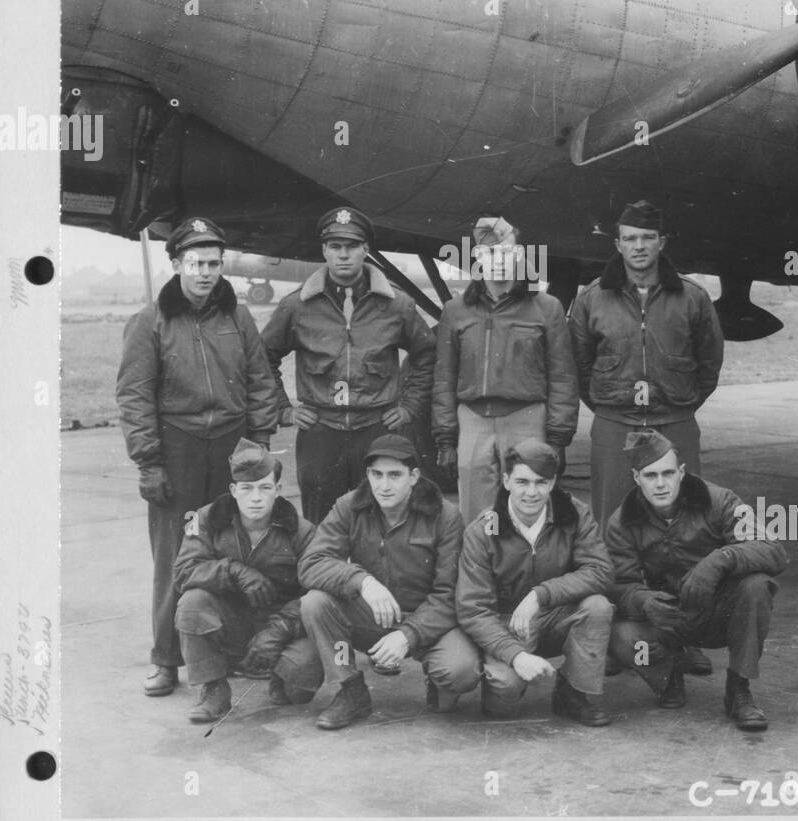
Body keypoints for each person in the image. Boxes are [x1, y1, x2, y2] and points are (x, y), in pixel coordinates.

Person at [116, 217, 278, 699]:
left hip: (231, 450)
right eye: (196, 263)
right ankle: (166, 660)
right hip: (178, 448)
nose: (206, 272)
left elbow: (260, 379)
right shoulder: (149, 322)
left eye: (213, 263)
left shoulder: (239, 318)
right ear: (176, 264)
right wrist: (149, 462)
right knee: (176, 557)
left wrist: (259, 445)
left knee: (233, 550)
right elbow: (134, 396)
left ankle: (230, 651)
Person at [260, 206, 436, 525]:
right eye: (336, 247)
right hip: (320, 432)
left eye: (352, 247)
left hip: (377, 429)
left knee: (380, 523)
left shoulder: (396, 304)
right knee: (320, 527)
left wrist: (410, 406)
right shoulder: (297, 305)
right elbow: (262, 358)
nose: (344, 255)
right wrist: (285, 409)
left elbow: (427, 354)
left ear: (365, 250)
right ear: (324, 250)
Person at [604, 430, 787, 731]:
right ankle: (667, 674)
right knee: (620, 634)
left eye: (667, 473)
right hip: (667, 617)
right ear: (636, 478)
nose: (660, 484)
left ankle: (738, 688)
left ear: (681, 472)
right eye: (650, 475)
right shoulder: (622, 521)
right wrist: (644, 600)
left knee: (756, 585)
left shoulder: (719, 500)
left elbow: (772, 550)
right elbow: (618, 584)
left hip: (717, 611)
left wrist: (720, 560)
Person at [296, 434, 480, 729]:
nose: (384, 485)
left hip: (428, 622)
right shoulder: (350, 506)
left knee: (461, 673)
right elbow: (311, 564)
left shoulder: (445, 516)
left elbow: (450, 594)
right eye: (376, 475)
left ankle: (437, 678)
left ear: (414, 477)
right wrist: (362, 581)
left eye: (395, 475)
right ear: (367, 475)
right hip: (372, 617)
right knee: (315, 603)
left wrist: (408, 635)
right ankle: (350, 690)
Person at [569, 199, 724, 528]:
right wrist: (608, 404)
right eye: (630, 239)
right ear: (618, 244)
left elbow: (709, 362)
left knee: (686, 518)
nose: (639, 246)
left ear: (661, 242)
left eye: (647, 237)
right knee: (611, 518)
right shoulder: (592, 298)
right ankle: (616, 580)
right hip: (614, 423)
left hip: (675, 420)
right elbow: (580, 366)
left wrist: (681, 402)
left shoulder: (693, 297)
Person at [455, 439, 615, 726]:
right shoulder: (483, 529)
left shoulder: (574, 514)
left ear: (553, 482)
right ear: (505, 481)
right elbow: (473, 609)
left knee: (597, 607)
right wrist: (515, 656)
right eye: (522, 482)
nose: (531, 492)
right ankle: (502, 675)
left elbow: (600, 570)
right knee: (504, 696)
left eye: (541, 482)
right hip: (504, 625)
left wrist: (540, 594)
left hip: (554, 616)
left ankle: (577, 693)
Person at [432, 215, 579, 524]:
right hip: (472, 420)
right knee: (476, 515)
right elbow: (444, 378)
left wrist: (558, 437)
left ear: (520, 255)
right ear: (477, 257)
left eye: (506, 251)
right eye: (489, 252)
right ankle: (480, 568)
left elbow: (562, 376)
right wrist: (445, 437)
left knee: (529, 508)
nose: (498, 260)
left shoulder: (547, 308)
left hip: (526, 418)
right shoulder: (455, 311)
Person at [173, 438, 316, 722]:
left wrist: (278, 632)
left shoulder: (301, 530)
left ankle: (277, 673)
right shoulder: (206, 520)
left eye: (264, 488)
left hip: (281, 626)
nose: (255, 498)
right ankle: (214, 688)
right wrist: (233, 571)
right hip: (232, 623)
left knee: (297, 690)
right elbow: (183, 572)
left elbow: (319, 592)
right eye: (247, 489)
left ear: (278, 490)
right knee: (192, 602)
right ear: (233, 490)